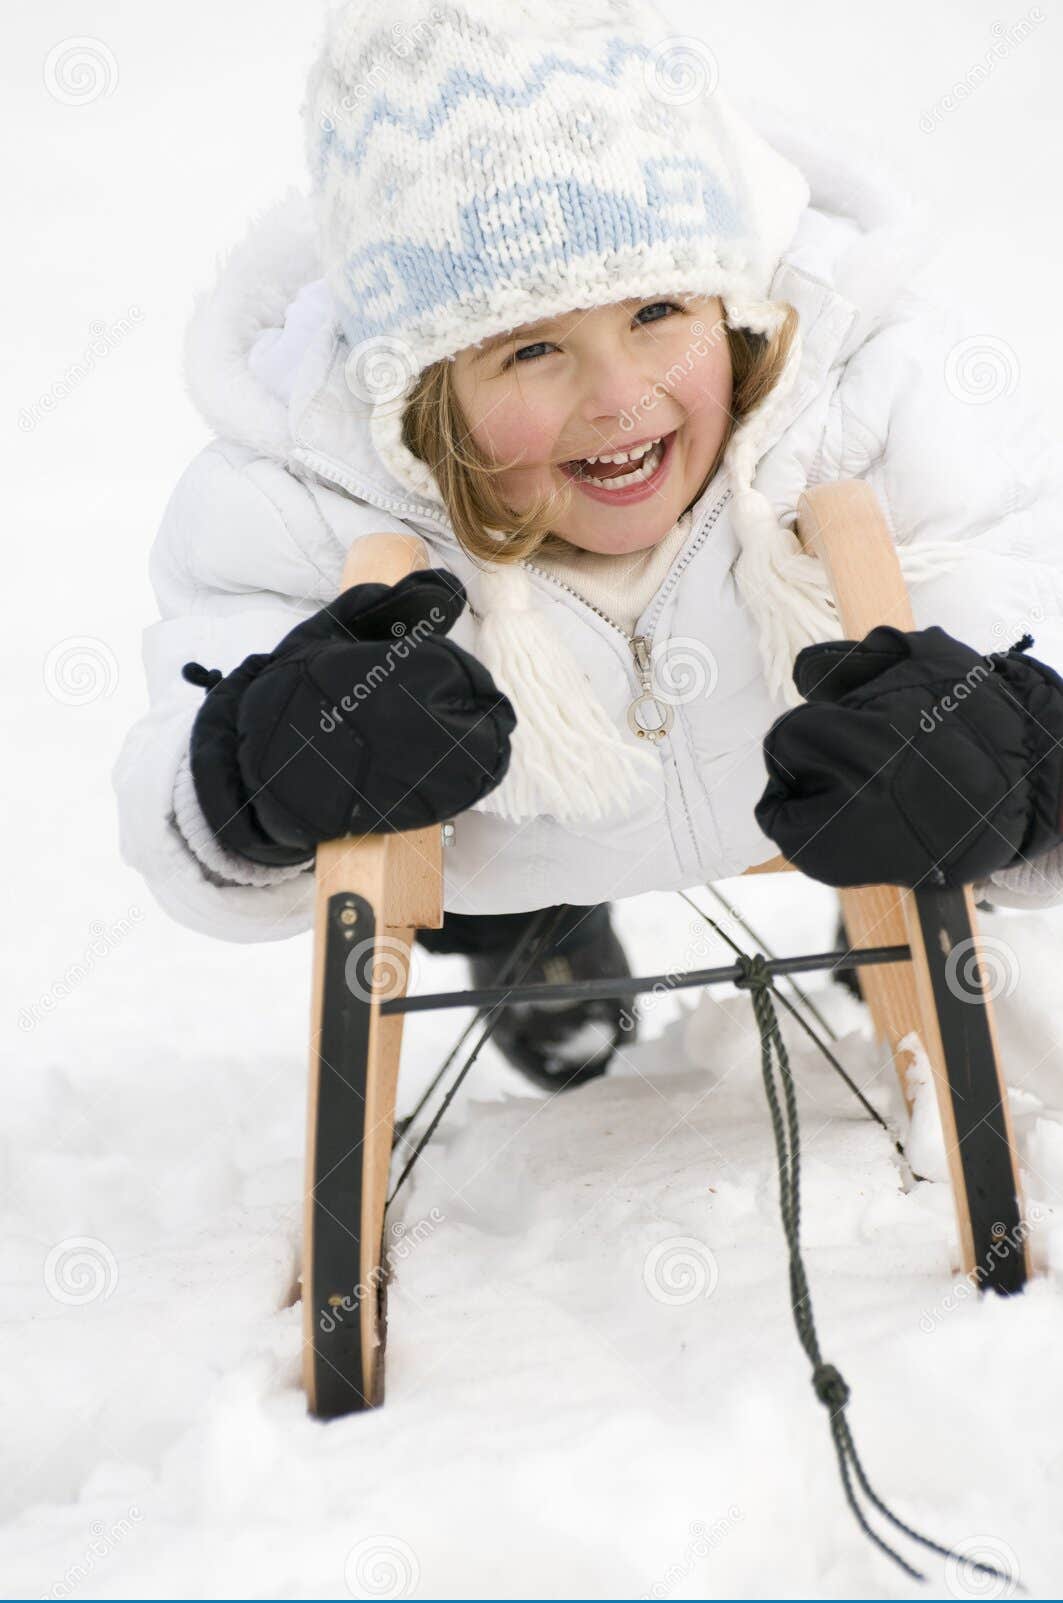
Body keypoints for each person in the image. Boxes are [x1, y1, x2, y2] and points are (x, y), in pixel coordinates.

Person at [112, 0, 1063, 1092]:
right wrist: (263, 765)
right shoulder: (303, 496)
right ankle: (528, 936)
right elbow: (171, 808)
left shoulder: (870, 394)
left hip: (818, 778)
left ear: (732, 304)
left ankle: (891, 890)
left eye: (658, 309)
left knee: (945, 743)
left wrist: (1019, 760)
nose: (621, 398)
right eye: (531, 349)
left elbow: (1030, 595)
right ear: (422, 393)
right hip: (513, 838)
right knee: (387, 737)